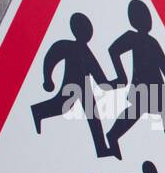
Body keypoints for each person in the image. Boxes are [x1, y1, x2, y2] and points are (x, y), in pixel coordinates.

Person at [103, 0, 165, 172]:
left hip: (157, 88)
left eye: (148, 17)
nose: (148, 21)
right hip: (143, 87)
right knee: (135, 115)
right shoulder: (131, 37)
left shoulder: (153, 42)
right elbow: (113, 50)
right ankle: (112, 135)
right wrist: (121, 75)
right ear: (135, 20)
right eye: (144, 17)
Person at [30, 12, 113, 157]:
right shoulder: (67, 46)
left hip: (84, 87)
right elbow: (51, 58)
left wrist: (118, 82)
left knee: (92, 116)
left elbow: (101, 80)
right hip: (72, 85)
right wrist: (47, 79)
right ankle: (38, 111)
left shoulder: (83, 50)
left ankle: (101, 149)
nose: (89, 32)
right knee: (63, 106)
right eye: (86, 29)